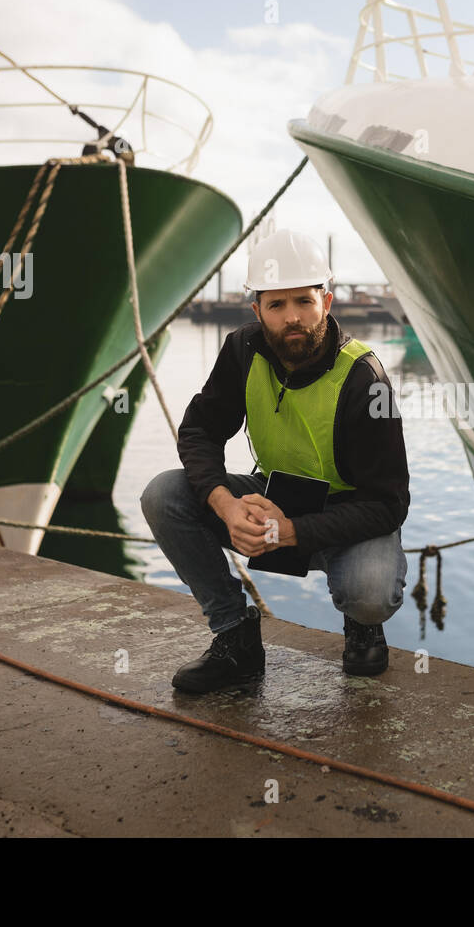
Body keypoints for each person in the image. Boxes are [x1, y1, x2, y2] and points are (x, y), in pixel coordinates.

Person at [140, 228, 410, 693]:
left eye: (304, 302)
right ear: (257, 310)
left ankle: (361, 625)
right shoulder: (244, 350)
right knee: (164, 495)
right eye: (277, 305)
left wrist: (291, 532)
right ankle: (235, 638)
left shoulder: (366, 380)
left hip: (347, 517)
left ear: (326, 302)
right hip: (272, 498)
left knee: (371, 590)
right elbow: (200, 429)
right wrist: (226, 504)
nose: (293, 318)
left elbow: (389, 505)